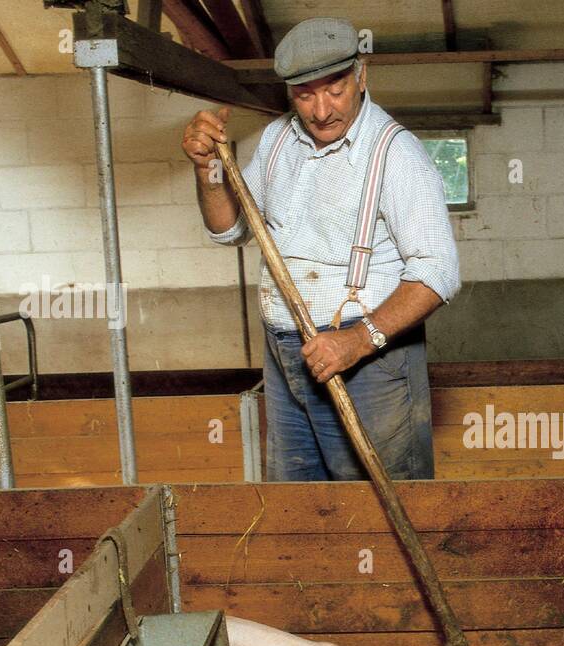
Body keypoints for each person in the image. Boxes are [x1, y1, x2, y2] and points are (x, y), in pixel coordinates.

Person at [181, 17, 460, 481]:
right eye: (304, 94)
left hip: (368, 360)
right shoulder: (277, 141)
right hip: (283, 352)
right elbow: (228, 229)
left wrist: (357, 341)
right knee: (300, 504)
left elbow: (438, 272)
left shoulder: (396, 155)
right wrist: (208, 168)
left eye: (335, 89)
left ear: (361, 75)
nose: (321, 110)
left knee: (378, 502)